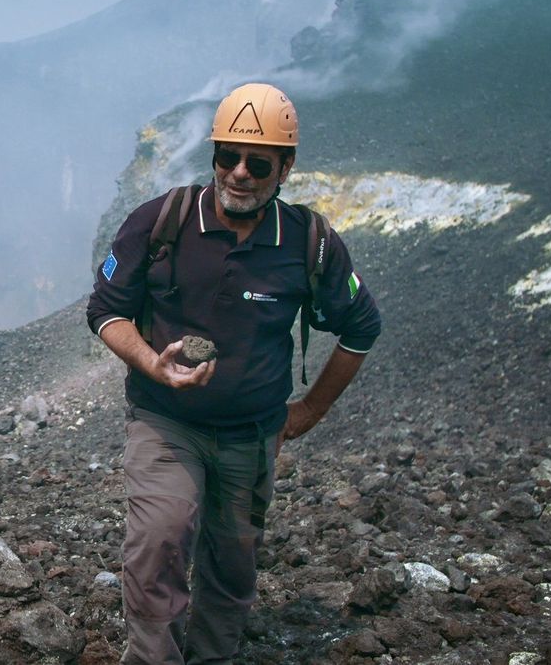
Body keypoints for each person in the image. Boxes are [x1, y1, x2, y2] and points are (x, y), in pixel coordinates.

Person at [86, 82, 382, 664]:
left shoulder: (308, 244)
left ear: (286, 167)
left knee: (232, 561)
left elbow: (361, 329)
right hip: (165, 420)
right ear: (215, 156)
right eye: (228, 156)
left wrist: (310, 411)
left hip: (252, 434)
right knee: (160, 538)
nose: (239, 173)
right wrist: (152, 362)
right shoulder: (161, 221)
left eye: (258, 162)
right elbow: (105, 309)